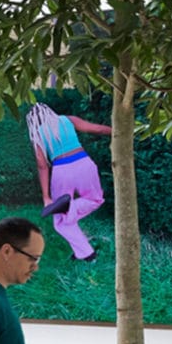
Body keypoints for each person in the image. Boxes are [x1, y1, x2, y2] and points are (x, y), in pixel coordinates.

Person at [26, 101, 113, 262]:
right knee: (95, 199)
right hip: (83, 164)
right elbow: (97, 129)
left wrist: (46, 197)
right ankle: (84, 252)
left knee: (60, 221)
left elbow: (42, 165)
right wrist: (118, 132)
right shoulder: (68, 120)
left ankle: (86, 252)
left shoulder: (37, 135)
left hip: (61, 171)